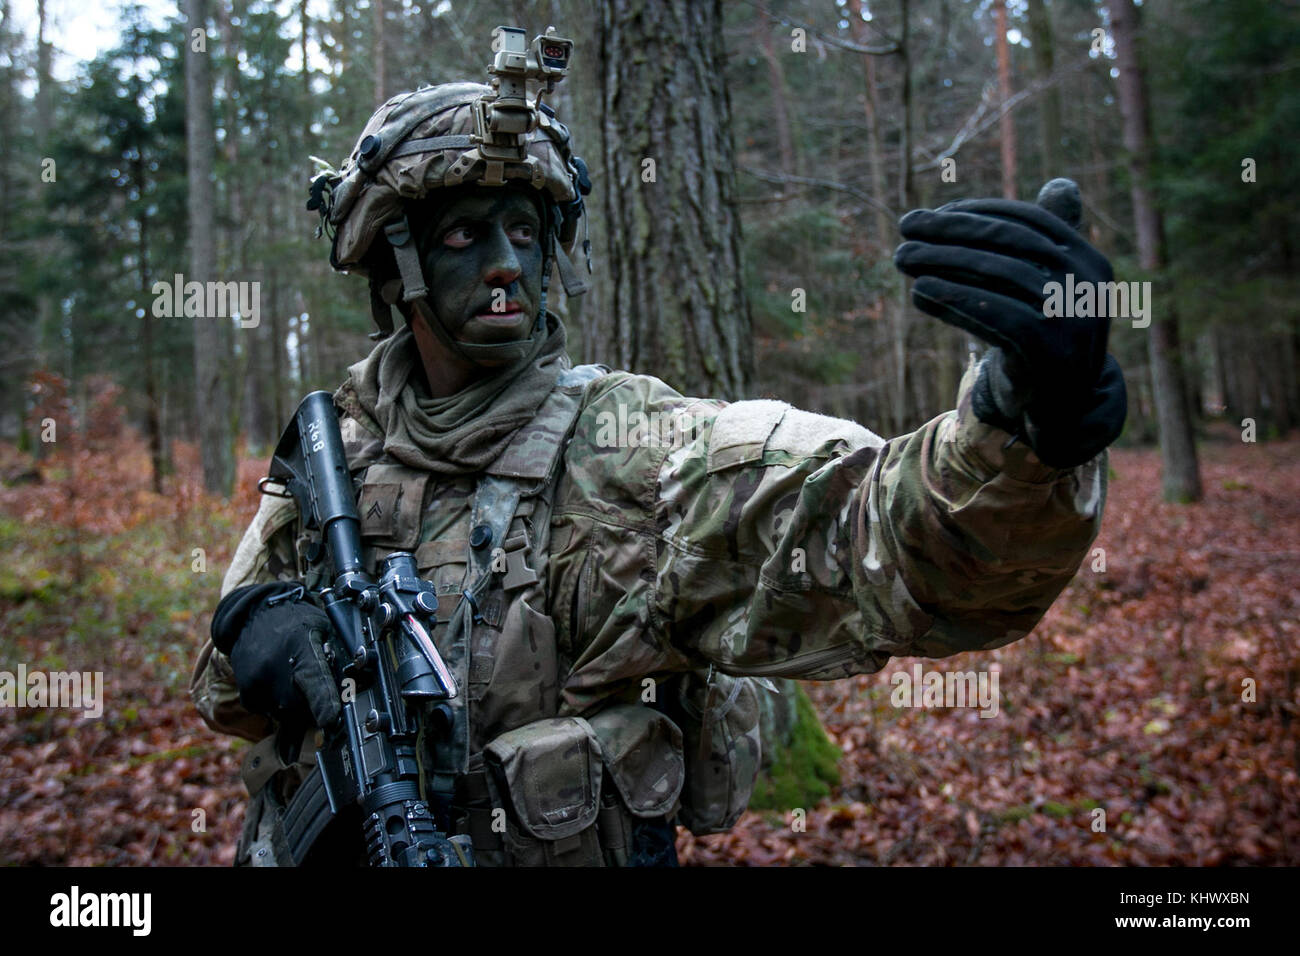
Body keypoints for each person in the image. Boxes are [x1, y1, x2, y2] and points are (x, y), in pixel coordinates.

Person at [189, 30, 1125, 867]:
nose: (506, 263)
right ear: (397, 268)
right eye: (466, 236)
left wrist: (1024, 427)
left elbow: (878, 530)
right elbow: (226, 691)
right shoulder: (340, 453)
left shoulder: (631, 449)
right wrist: (258, 634)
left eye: (524, 231)